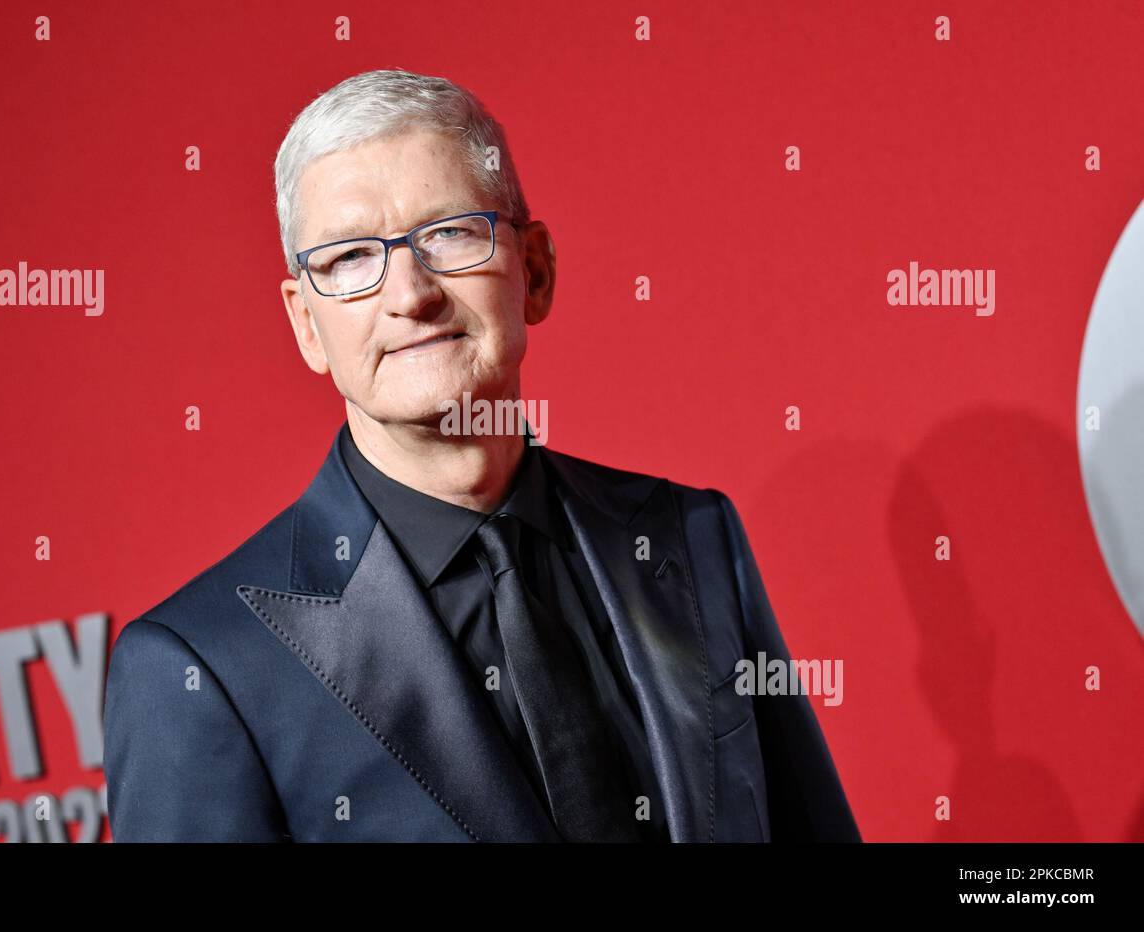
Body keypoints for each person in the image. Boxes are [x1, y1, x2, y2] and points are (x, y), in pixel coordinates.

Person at [102, 68, 860, 843]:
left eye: (449, 233)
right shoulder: (203, 669)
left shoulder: (693, 537)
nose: (410, 293)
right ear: (305, 324)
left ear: (535, 270)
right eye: (350, 259)